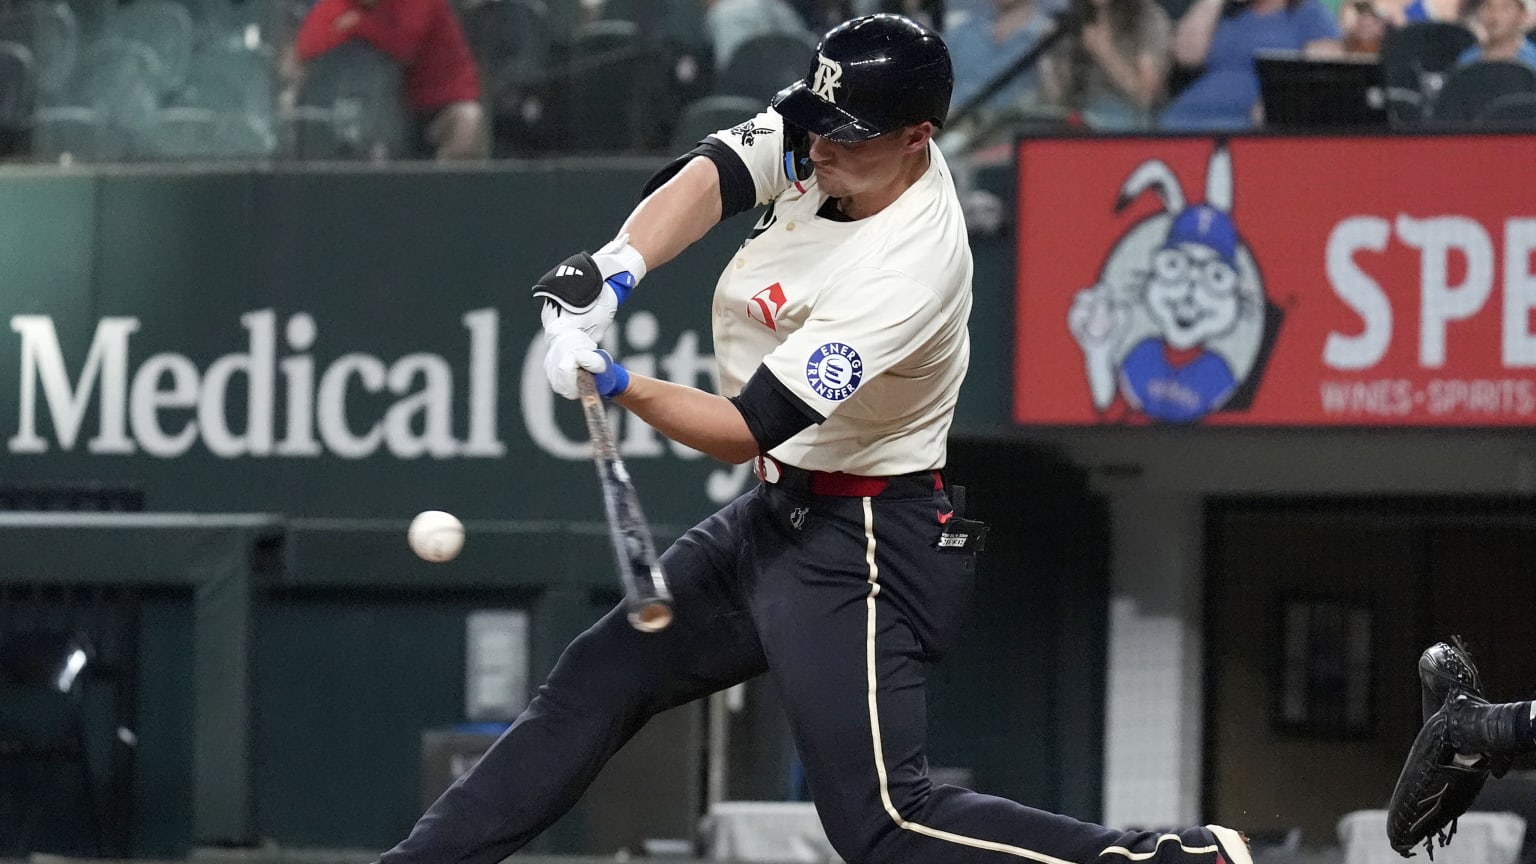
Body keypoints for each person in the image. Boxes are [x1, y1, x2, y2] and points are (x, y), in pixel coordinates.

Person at [375, 14, 1256, 864]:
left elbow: (744, 428)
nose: (818, 147)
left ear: (916, 137)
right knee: (598, 681)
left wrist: (617, 383)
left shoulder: (908, 267)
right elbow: (719, 168)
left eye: (847, 136)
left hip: (869, 538)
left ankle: (1167, 861)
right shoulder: (830, 136)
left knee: (885, 822)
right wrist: (614, 271)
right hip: (781, 512)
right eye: (816, 123)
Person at [286, 0, 489, 159]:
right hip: (383, 105)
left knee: (469, 119)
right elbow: (306, 49)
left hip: (435, 105)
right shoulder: (336, 4)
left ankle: (446, 199)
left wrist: (358, 24)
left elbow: (402, 45)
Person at [1159, 0, 1342, 129]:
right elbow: (1186, 55)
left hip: (1249, 125)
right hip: (1188, 116)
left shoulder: (1311, 14)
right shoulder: (1227, 13)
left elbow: (1319, 78)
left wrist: (1274, 106)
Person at [1040, 0, 1171, 129]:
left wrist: (1104, 51)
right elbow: (1058, 96)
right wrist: (1047, 57)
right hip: (1076, 120)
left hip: (1124, 124)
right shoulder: (1070, 19)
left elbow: (1145, 95)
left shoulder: (1147, 17)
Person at [945, 0, 1062, 122]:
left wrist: (1047, 56)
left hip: (1017, 128)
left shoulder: (1051, 36)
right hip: (957, 130)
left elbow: (1058, 101)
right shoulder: (961, 34)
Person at [1456, 0, 1536, 64]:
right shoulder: (1468, 60)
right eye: (1488, 6)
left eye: (1505, 8)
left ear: (1522, 14)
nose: (1495, 16)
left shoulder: (1532, 59)